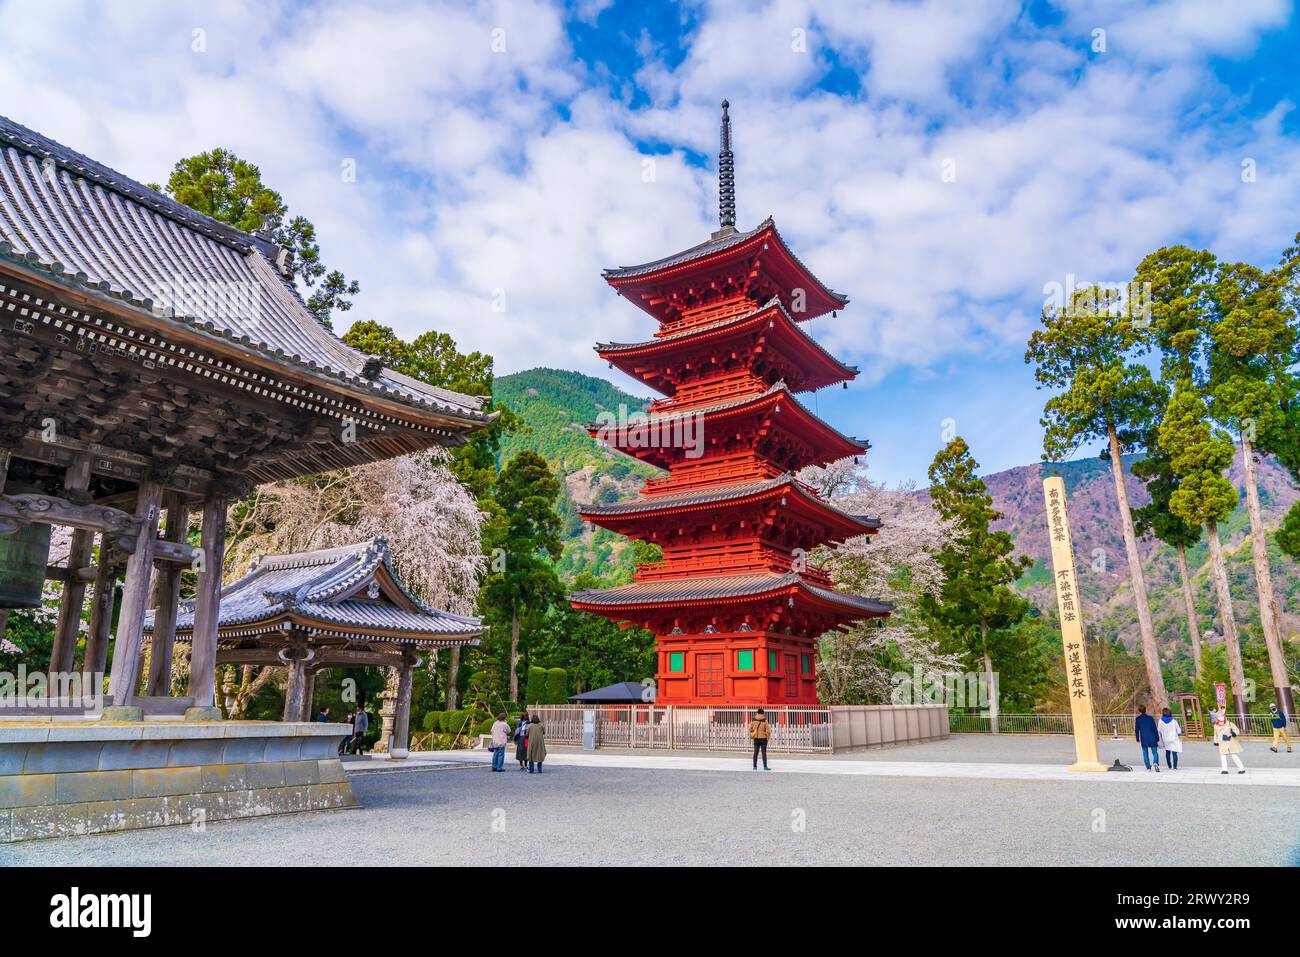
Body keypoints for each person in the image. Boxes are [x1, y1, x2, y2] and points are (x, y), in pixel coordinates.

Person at [1212, 710, 1245, 774]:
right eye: (1219, 716)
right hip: (1221, 742)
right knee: (1222, 755)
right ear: (1217, 717)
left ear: (1224, 716)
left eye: (1221, 716)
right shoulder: (1216, 725)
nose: (1220, 717)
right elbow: (1215, 734)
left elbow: (1237, 730)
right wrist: (1215, 741)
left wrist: (1232, 733)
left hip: (1230, 741)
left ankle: (1241, 768)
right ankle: (1224, 769)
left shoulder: (1229, 723)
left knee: (1234, 755)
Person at [1134, 705, 1160, 772]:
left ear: (1139, 711)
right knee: (1155, 752)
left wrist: (1137, 738)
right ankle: (1155, 762)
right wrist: (1157, 738)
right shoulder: (1150, 718)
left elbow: (1137, 730)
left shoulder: (1138, 719)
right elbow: (1155, 728)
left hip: (1144, 738)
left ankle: (1148, 767)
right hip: (1152, 737)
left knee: (1145, 753)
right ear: (1145, 710)